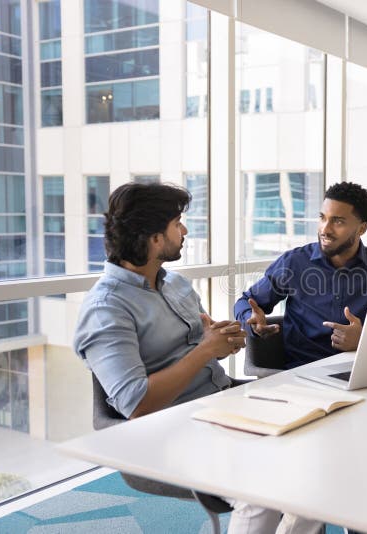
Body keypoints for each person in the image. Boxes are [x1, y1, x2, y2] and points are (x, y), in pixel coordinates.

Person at [73, 183, 321, 534]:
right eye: (177, 224)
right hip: (168, 429)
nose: (185, 231)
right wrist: (205, 349)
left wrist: (225, 339)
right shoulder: (106, 308)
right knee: (259, 490)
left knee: (316, 460)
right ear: (154, 238)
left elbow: (206, 342)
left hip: (221, 405)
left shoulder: (175, 284)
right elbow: (136, 404)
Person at [234, 182, 367, 368]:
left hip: (365, 369)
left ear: (361, 229)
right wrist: (252, 320)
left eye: (338, 221)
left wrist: (365, 339)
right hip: (303, 374)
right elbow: (245, 301)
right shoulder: (294, 263)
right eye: (322, 218)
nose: (325, 229)